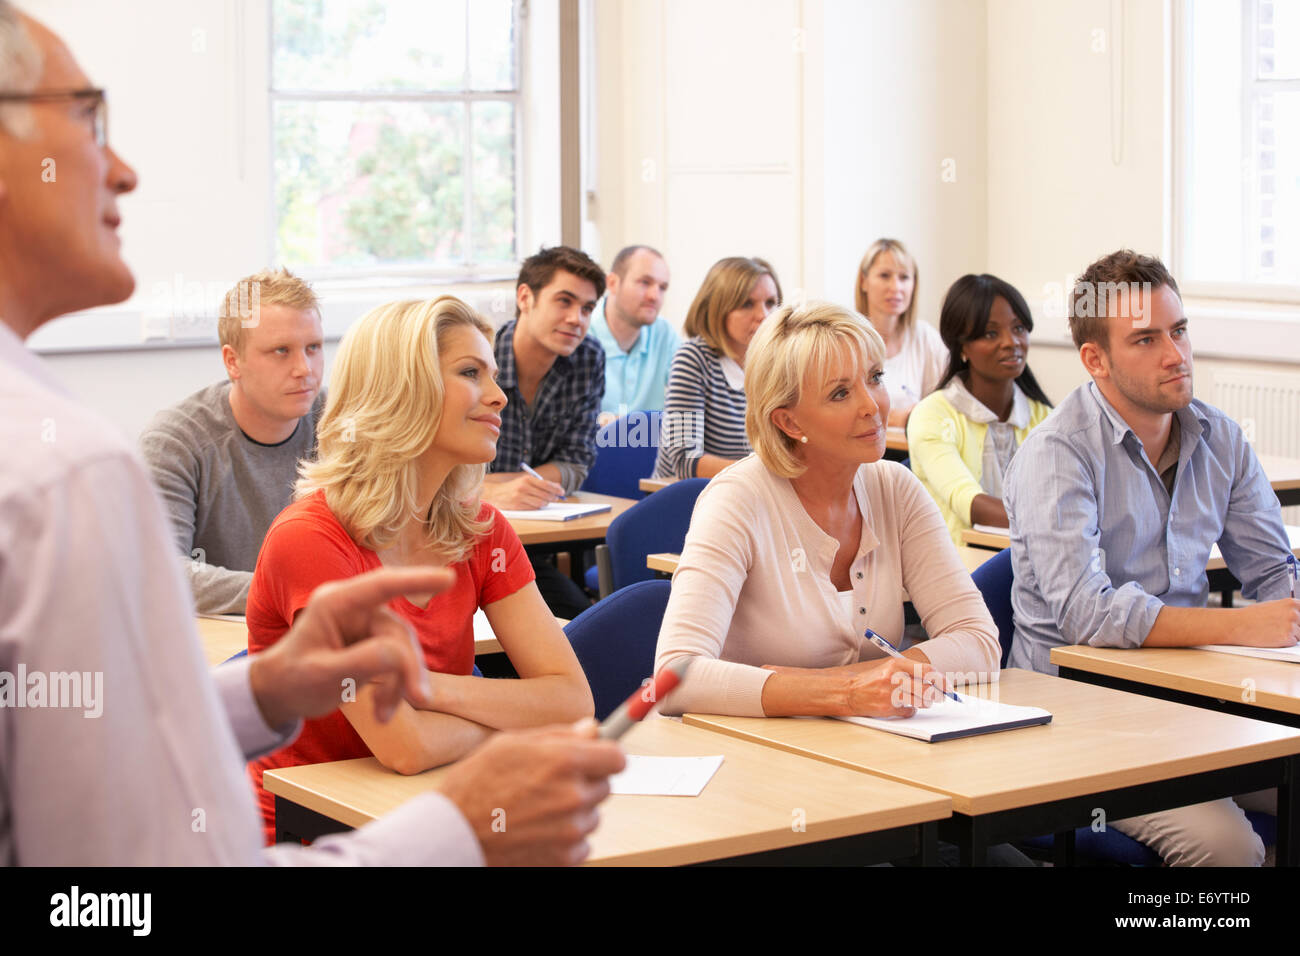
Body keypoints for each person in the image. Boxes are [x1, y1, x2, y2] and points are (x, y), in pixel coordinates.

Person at [0, 2, 622, 866]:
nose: (126, 171)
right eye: (85, 118)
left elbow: (78, 764)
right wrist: (460, 824)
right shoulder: (65, 470)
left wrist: (259, 692)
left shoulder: (48, 454)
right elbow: (124, 883)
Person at [247, 296, 595, 843]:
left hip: (432, 811)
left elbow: (572, 702)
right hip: (314, 832)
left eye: (493, 375)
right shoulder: (310, 540)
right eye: (469, 373)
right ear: (401, 391)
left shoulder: (481, 529)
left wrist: (428, 690)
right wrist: (510, 727)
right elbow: (404, 746)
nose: (499, 396)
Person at [1005, 249, 1299, 866]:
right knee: (1228, 849)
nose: (1176, 354)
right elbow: (1088, 614)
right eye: (1146, 339)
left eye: (1180, 330)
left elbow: (1276, 576)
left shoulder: (1219, 436)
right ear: (1095, 360)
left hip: (1185, 707)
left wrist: (1284, 615)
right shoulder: (1057, 454)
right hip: (1074, 721)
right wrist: (1241, 625)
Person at [654, 301, 1000, 719]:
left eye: (875, 378)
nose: (872, 405)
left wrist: (857, 684)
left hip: (864, 752)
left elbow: (979, 641)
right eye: (840, 393)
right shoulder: (738, 499)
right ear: (789, 422)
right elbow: (674, 677)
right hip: (752, 759)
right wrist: (848, 693)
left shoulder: (897, 488)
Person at [139, 268, 326, 614]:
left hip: (319, 631)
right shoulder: (175, 441)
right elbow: (162, 574)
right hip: (220, 643)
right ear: (232, 361)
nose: (305, 369)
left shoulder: (339, 422)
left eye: (313, 348)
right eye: (281, 351)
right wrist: (291, 594)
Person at [483, 245, 606, 618]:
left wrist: (517, 488)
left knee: (583, 623)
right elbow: (432, 470)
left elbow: (577, 461)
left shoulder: (587, 358)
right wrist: (496, 492)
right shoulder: (477, 356)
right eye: (564, 301)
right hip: (456, 544)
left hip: (529, 550)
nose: (576, 319)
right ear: (525, 298)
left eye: (587, 309)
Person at [906, 274, 1053, 544]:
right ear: (962, 346)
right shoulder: (932, 415)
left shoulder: (1045, 417)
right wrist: (1057, 523)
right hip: (960, 568)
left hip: (1034, 564)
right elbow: (971, 504)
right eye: (991, 333)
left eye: (1019, 328)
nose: (1011, 342)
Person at [653, 256, 781, 479]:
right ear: (718, 309)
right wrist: (769, 472)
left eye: (770, 303)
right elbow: (685, 461)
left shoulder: (776, 365)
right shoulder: (693, 358)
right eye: (747, 304)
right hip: (684, 500)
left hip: (747, 497)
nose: (764, 315)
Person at [854, 239, 945, 428]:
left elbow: (947, 401)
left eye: (904, 277)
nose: (896, 288)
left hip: (913, 448)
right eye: (885, 275)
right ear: (864, 282)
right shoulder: (849, 339)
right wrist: (896, 417)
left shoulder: (925, 337)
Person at [590, 244, 680, 423]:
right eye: (645, 282)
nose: (655, 296)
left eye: (662, 287)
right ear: (612, 283)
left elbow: (692, 403)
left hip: (649, 448)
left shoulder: (664, 334)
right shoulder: (580, 335)